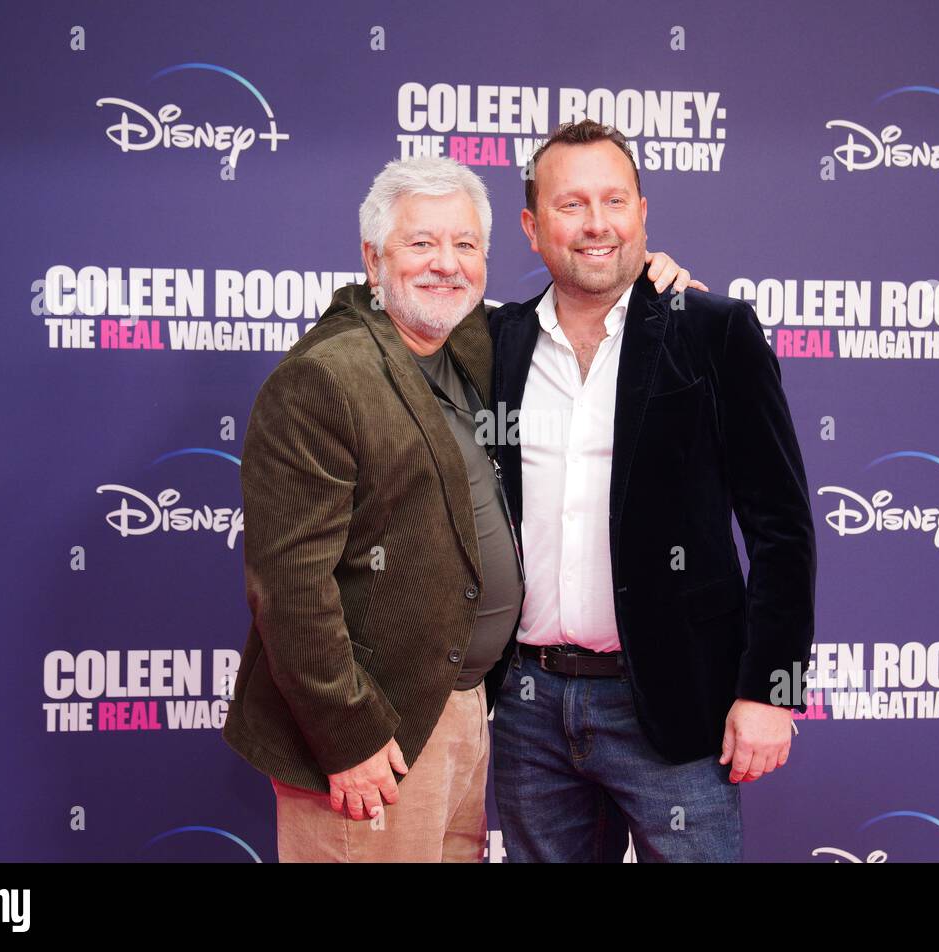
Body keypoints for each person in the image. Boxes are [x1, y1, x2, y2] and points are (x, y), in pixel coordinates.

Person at [222, 155, 694, 862]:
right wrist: (345, 736)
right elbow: (289, 590)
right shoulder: (325, 377)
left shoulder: (468, 343)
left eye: (466, 245)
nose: (447, 264)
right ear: (372, 257)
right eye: (422, 243)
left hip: (464, 708)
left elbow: (579, 300)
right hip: (373, 730)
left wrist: (649, 281)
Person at [484, 120, 818, 862]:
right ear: (532, 227)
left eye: (615, 200)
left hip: (673, 707)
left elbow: (783, 528)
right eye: (571, 205)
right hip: (530, 712)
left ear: (642, 211)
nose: (597, 223)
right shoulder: (494, 345)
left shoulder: (712, 331)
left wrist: (772, 690)